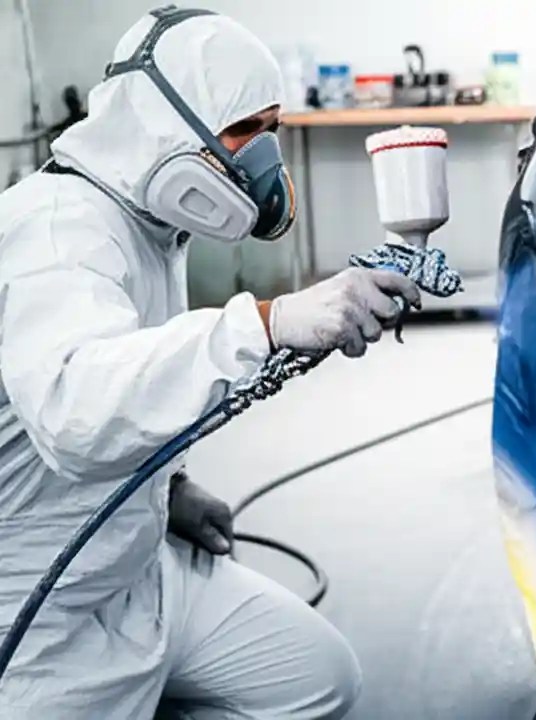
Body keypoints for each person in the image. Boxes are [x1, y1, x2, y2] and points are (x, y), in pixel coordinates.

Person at [0, 8, 416, 718]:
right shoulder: (57, 230)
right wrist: (269, 321)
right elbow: (76, 410)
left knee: (321, 681)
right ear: (164, 129)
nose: (262, 160)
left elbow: (139, 370)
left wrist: (171, 491)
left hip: (138, 569)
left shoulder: (148, 226)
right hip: (43, 614)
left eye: (272, 130)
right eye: (245, 132)